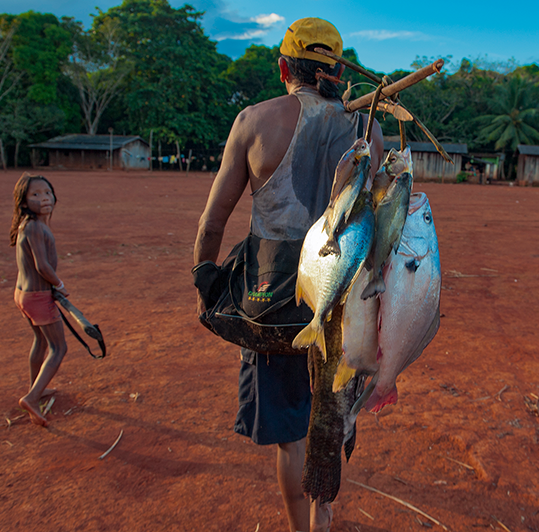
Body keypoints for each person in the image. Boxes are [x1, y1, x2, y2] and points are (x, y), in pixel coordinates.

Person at [193, 17, 383, 532]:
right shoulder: (369, 129)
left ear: (284, 67)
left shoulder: (254, 121)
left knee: (290, 434)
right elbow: (382, 228)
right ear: (339, 73)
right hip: (344, 294)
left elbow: (213, 222)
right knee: (331, 410)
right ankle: (323, 514)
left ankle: (306, 529)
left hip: (271, 299)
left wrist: (204, 283)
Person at [9, 173, 69, 427]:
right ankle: (32, 397)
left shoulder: (30, 224)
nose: (44, 198)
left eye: (47, 193)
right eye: (35, 195)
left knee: (41, 341)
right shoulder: (34, 226)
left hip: (24, 294)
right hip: (37, 296)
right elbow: (42, 265)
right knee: (59, 347)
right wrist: (59, 285)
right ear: (23, 202)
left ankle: (37, 387)